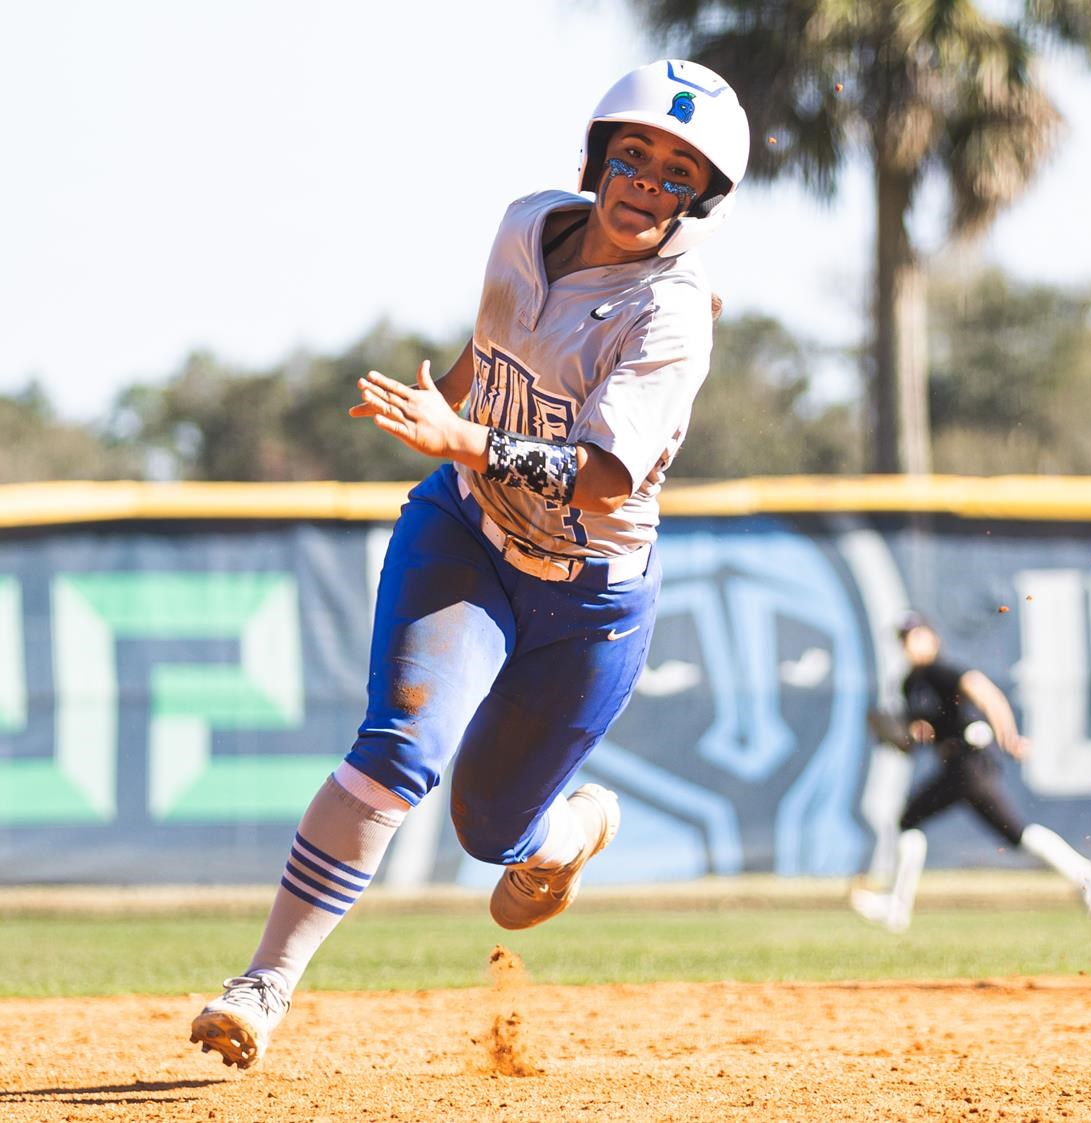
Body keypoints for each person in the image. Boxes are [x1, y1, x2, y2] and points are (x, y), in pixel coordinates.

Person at [189, 59, 750, 1068]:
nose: (645, 182)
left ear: (698, 199)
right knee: (397, 750)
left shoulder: (669, 309)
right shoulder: (523, 225)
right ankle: (262, 986)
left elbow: (605, 481)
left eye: (676, 172)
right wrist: (441, 410)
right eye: (633, 154)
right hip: (463, 534)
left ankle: (566, 834)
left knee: (491, 832)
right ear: (596, 157)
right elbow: (490, 362)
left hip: (589, 600)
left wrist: (465, 439)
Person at [851, 613, 1091, 933]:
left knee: (911, 821)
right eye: (905, 639)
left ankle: (897, 905)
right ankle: (1086, 873)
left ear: (933, 638)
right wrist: (898, 736)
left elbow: (986, 692)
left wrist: (1009, 735)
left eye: (916, 636)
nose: (910, 644)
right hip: (955, 767)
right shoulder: (910, 684)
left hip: (970, 761)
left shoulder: (939, 670)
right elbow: (917, 738)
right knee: (1014, 834)